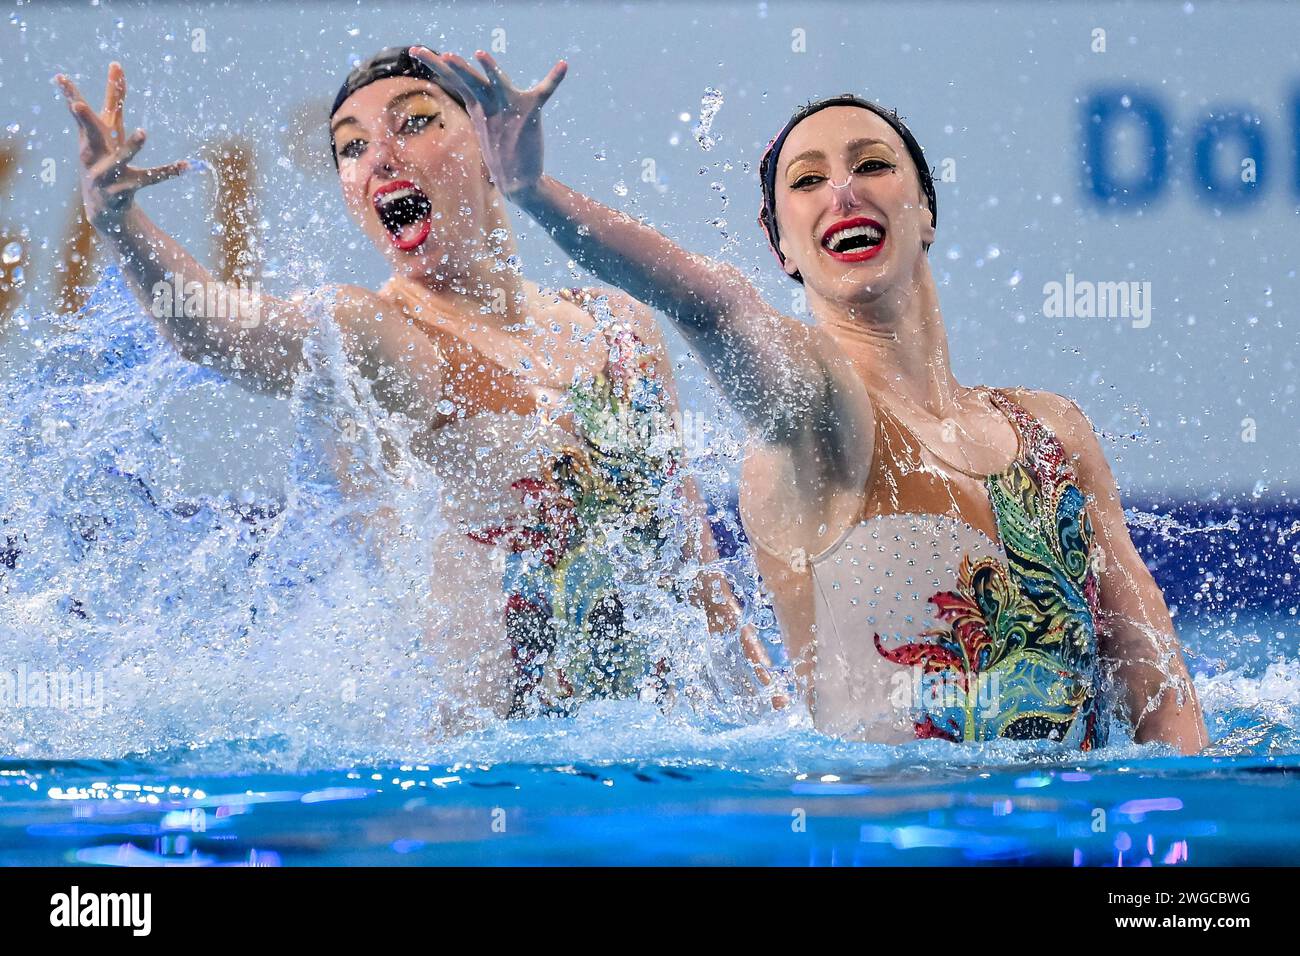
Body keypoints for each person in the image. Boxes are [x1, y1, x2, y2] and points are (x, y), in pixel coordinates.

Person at [412, 47, 1209, 753]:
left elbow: (1156, 681)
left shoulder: (1051, 429)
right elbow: (714, 307)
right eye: (808, 181)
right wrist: (535, 192)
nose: (843, 191)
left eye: (872, 165)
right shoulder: (819, 421)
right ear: (782, 245)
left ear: (925, 211)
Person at [53, 50, 775, 726]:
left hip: (659, 764)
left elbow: (700, 579)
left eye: (415, 123)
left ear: (493, 147)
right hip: (490, 778)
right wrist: (119, 224)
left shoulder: (620, 329)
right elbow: (219, 334)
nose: (379, 158)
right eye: (351, 145)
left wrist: (777, 735)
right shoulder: (378, 337)